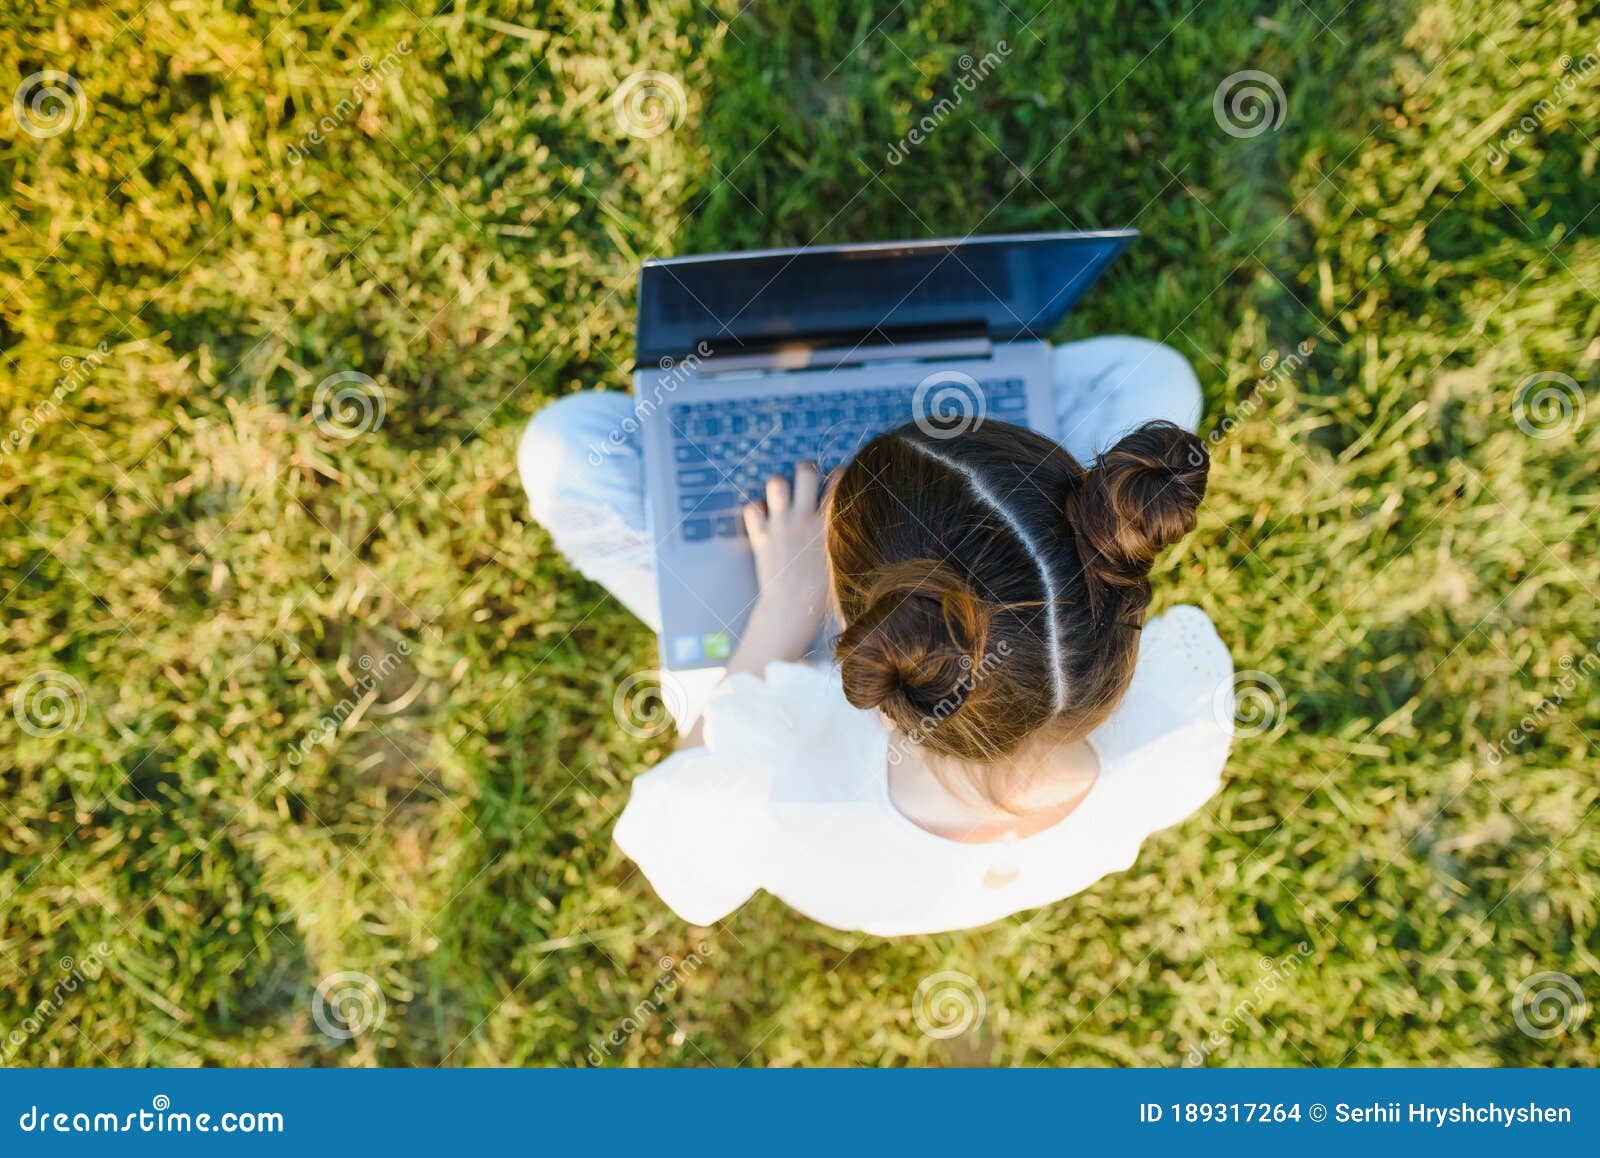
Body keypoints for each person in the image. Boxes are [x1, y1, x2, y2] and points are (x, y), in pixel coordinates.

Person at [519, 337, 1233, 936]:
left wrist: (777, 619)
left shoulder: (781, 785)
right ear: (1090, 613)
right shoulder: (1176, 745)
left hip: (780, 665)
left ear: (844, 610)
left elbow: (676, 853)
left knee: (562, 451)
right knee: (1161, 378)